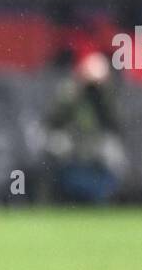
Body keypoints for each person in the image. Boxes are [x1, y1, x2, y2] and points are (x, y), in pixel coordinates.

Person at [42, 50, 126, 204]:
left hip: (97, 150)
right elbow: (53, 119)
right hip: (72, 148)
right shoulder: (71, 91)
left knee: (112, 152)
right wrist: (80, 85)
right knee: (57, 145)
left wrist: (102, 90)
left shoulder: (106, 95)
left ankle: (105, 196)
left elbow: (115, 123)